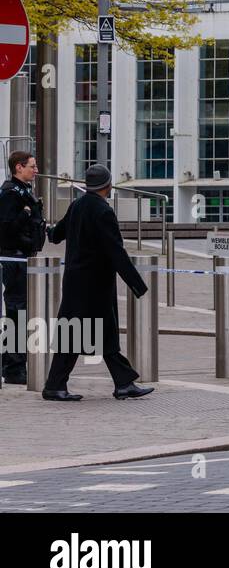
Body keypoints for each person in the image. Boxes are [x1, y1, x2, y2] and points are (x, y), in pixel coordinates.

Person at [41, 164, 153, 402]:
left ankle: (122, 382)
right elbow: (116, 252)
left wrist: (49, 231)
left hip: (74, 281)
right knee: (92, 333)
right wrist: (137, 284)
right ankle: (57, 386)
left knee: (85, 332)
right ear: (108, 186)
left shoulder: (77, 205)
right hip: (95, 285)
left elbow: (57, 234)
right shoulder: (103, 211)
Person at [0, 150, 45, 386]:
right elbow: (6, 229)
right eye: (32, 166)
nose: (36, 170)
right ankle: (14, 368)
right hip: (14, 259)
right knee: (17, 313)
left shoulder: (22, 191)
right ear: (19, 167)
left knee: (22, 312)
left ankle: (13, 362)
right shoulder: (10, 193)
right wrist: (26, 215)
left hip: (23, 257)